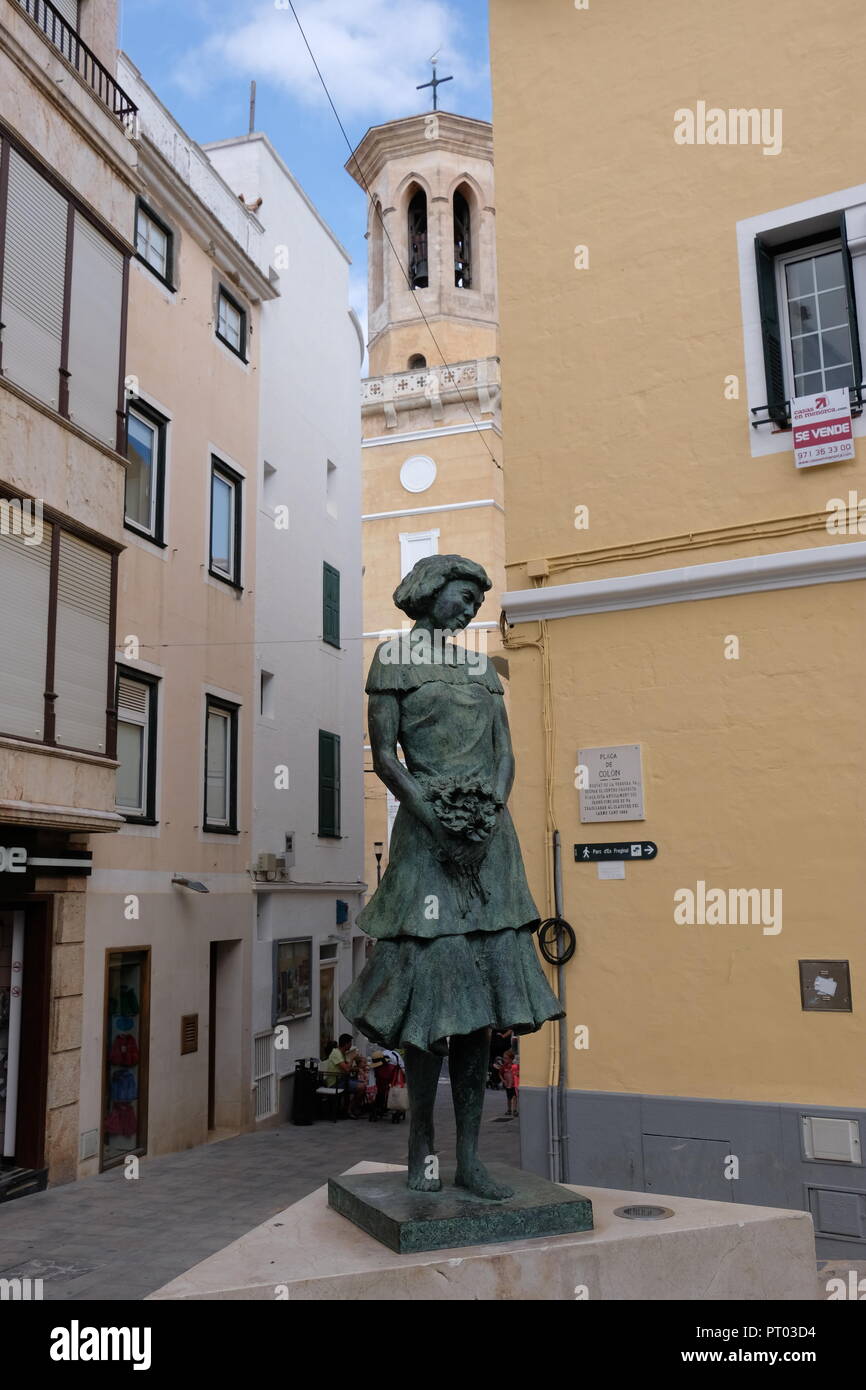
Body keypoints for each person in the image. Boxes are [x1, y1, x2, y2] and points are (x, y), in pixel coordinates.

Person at [340, 554, 563, 1198]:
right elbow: (385, 758)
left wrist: (488, 809)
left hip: (491, 843)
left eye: (476, 600)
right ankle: (420, 1147)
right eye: (463, 595)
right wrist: (436, 819)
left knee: (480, 1007)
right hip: (425, 838)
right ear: (431, 592)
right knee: (430, 1000)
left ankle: (470, 1155)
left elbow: (506, 754)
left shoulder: (479, 668)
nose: (470, 608)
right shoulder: (392, 660)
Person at [500, 1049, 519, 1117]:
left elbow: (518, 1073)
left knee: (514, 1097)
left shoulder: (515, 1066)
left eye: (506, 1058)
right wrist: (503, 1080)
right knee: (509, 1098)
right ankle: (509, 1110)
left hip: (514, 1084)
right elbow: (500, 1074)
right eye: (504, 1058)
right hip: (508, 1085)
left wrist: (517, 1074)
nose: (504, 1060)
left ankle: (515, 1110)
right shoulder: (503, 1066)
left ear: (511, 1059)